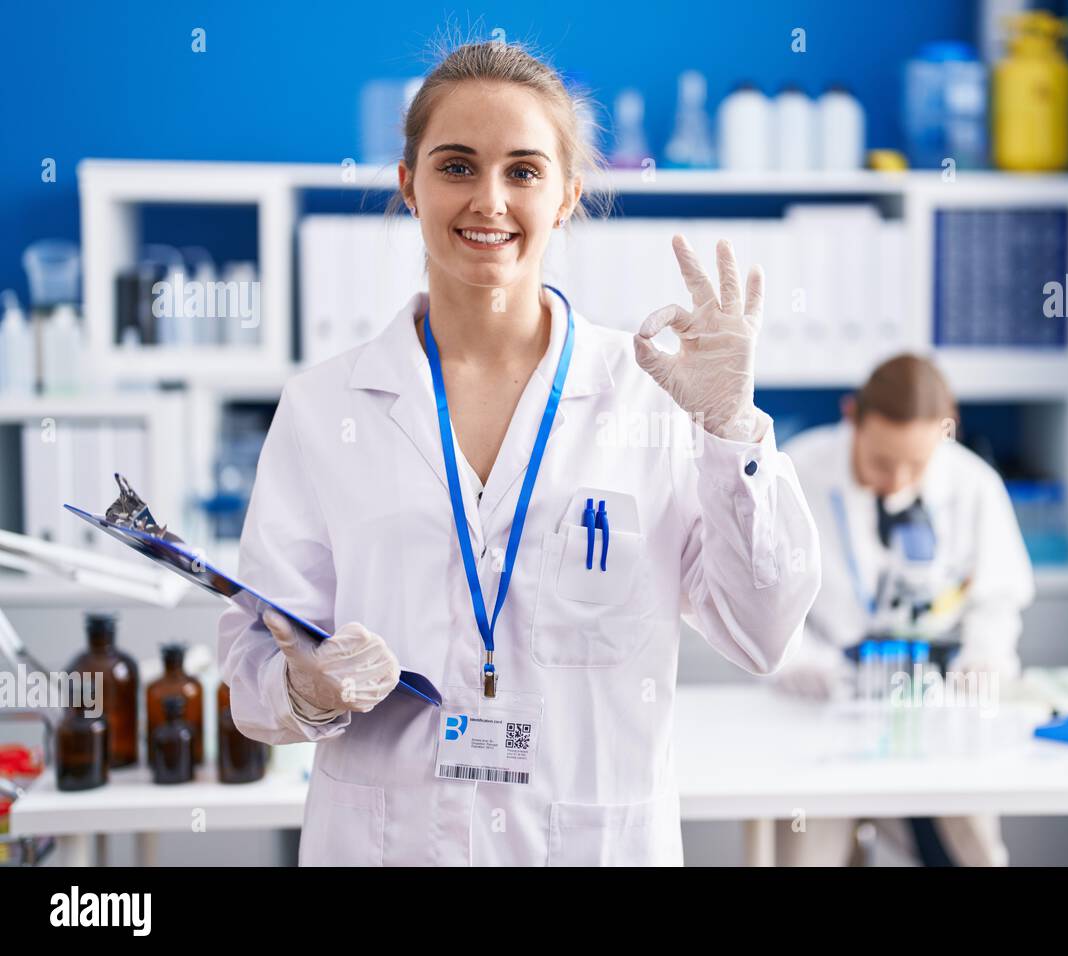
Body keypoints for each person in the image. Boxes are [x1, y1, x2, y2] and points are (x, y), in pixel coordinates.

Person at [216, 40, 821, 867]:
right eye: (456, 166)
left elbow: (764, 632)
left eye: (524, 171)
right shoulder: (326, 410)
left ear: (568, 194)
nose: (489, 200)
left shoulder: (654, 396)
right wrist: (304, 690)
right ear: (409, 182)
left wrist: (734, 431)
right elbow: (256, 660)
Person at [773, 354, 1033, 867]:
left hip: (936, 706)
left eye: (915, 465)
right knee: (810, 852)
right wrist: (805, 663)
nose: (896, 480)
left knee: (971, 849)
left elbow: (998, 600)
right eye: (880, 462)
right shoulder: (796, 470)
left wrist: (982, 660)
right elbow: (768, 600)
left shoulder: (973, 485)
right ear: (853, 417)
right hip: (827, 700)